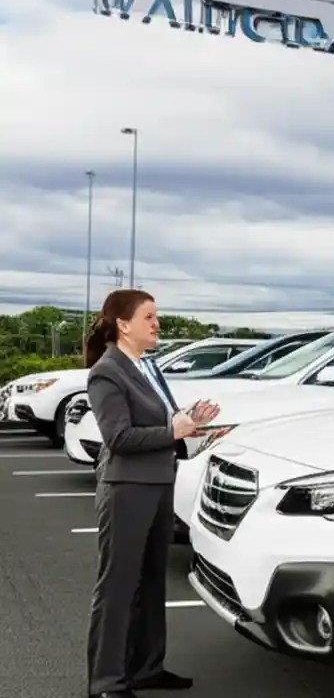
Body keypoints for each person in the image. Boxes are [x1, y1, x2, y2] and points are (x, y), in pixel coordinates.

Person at [84, 290, 220, 698]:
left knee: (150, 583)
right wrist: (172, 431)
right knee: (118, 587)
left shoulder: (148, 367)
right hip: (126, 490)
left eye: (156, 316)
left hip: (160, 484)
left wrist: (192, 422)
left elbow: (164, 422)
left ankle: (146, 668)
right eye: (149, 316)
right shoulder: (107, 371)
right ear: (123, 325)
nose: (157, 323)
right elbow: (119, 437)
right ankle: (107, 681)